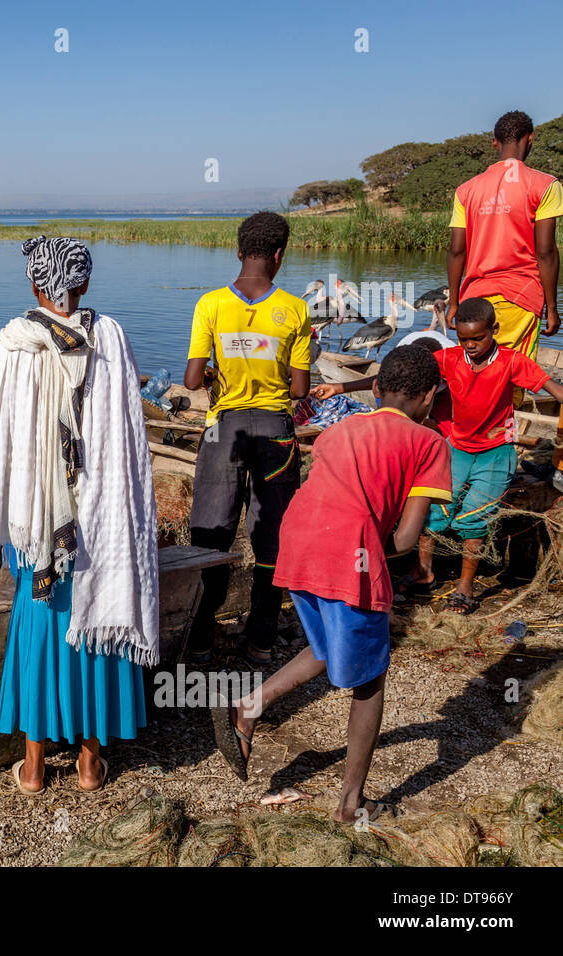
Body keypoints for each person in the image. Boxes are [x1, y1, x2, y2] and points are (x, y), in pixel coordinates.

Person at [213, 345, 451, 823]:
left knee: (325, 644)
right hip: (349, 554)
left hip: (297, 542)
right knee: (369, 680)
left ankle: (250, 705)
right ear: (430, 397)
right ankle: (350, 804)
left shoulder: (341, 429)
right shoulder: (429, 444)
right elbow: (405, 538)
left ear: (376, 389)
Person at [0, 236, 159, 793]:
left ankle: (33, 770)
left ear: (36, 284)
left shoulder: (15, 341)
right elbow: (129, 430)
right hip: (98, 514)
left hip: (39, 522)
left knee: (41, 624)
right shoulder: (108, 335)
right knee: (98, 614)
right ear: (84, 282)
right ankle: (87, 763)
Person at [314, 298, 563, 614]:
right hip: (456, 449)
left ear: (494, 330)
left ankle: (465, 588)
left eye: (478, 338)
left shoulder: (513, 362)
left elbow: (553, 388)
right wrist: (342, 388)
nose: (470, 346)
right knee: (433, 512)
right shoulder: (448, 359)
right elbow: (398, 380)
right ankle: (424, 570)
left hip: (495, 454)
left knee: (476, 517)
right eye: (464, 339)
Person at [184, 212, 313, 667]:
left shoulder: (211, 304)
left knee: (210, 533)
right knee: (272, 537)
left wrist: (223, 374)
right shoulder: (295, 309)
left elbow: (193, 377)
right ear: (279, 255)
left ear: (238, 252)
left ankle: (199, 639)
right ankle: (260, 639)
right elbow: (299, 390)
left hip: (224, 430)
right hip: (276, 430)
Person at [446, 110, 561, 361]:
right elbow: (546, 251)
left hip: (473, 301)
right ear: (530, 139)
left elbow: (457, 250)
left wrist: (454, 303)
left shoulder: (465, 190)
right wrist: (552, 307)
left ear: (494, 142)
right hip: (521, 298)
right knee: (512, 378)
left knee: (477, 377)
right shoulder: (545, 185)